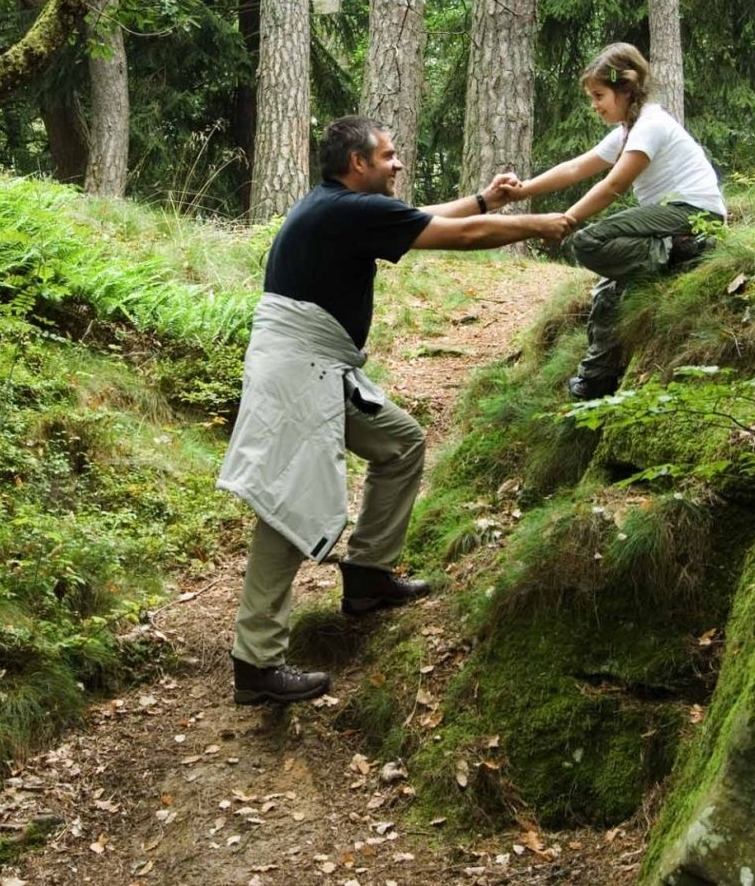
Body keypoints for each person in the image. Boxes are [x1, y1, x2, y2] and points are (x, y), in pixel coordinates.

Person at [216, 115, 575, 706]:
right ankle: (256, 663)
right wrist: (539, 225)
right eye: (388, 156)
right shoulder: (343, 210)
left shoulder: (340, 206)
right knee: (286, 505)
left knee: (400, 442)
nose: (398, 163)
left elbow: (422, 219)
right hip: (297, 374)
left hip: (317, 367)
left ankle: (367, 578)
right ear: (357, 164)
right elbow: (456, 236)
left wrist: (486, 198)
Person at [508, 42, 727, 400]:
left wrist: (568, 219)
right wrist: (522, 190)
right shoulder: (630, 129)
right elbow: (577, 167)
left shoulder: (652, 124)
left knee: (587, 242)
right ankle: (596, 381)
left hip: (694, 216)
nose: (594, 105)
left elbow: (614, 186)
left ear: (625, 89)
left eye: (599, 95)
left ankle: (683, 252)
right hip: (671, 220)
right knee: (609, 290)